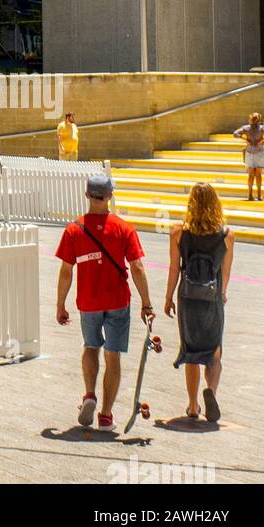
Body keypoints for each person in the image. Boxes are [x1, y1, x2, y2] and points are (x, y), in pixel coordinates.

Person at [55, 172, 155, 432]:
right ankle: (107, 415)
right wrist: (146, 303)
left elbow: (66, 271)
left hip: (88, 301)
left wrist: (60, 304)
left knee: (90, 347)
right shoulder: (124, 228)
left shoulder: (74, 229)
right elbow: (137, 267)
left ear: (87, 195)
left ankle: (89, 395)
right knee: (113, 356)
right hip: (117, 301)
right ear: (110, 196)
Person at [164, 182, 234, 422]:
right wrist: (222, 293)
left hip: (187, 297)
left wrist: (168, 298)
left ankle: (193, 406)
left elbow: (174, 268)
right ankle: (211, 391)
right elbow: (225, 273)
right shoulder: (226, 235)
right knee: (214, 352)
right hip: (211, 298)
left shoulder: (178, 232)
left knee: (190, 352)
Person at [232, 112, 264, 201]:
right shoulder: (262, 128)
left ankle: (250, 195)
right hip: (259, 151)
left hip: (249, 151)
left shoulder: (246, 128)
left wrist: (245, 140)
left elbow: (235, 133)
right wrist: (262, 139)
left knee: (251, 175)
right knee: (258, 175)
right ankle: (258, 195)